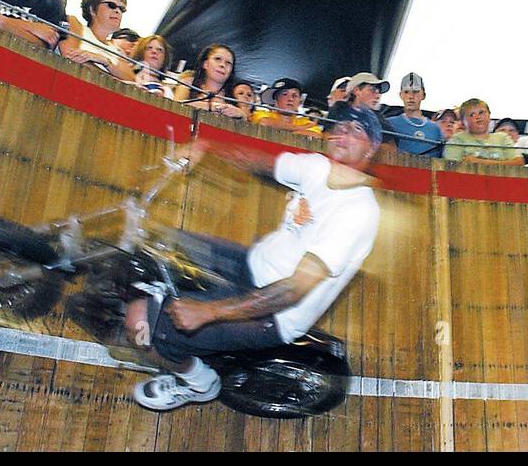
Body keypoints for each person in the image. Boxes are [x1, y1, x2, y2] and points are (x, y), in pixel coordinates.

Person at [125, 102, 383, 411]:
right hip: (253, 263)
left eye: (356, 130)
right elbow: (261, 163)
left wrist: (209, 312)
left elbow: (292, 291)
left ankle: (197, 383)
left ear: (370, 150)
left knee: (139, 321)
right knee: (158, 241)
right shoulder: (318, 167)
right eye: (340, 125)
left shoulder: (358, 212)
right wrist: (206, 146)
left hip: (275, 314)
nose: (343, 132)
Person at [60, 0, 136, 80]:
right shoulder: (75, 24)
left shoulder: (117, 51)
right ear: (92, 9)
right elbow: (69, 56)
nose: (117, 11)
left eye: (122, 9)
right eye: (111, 5)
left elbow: (132, 80)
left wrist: (105, 62)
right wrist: (115, 79)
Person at [444, 99, 525, 165]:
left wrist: (478, 161)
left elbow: (519, 162)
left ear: (489, 115)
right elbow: (452, 168)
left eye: (481, 112)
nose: (478, 117)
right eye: (472, 114)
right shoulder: (456, 140)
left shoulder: (502, 138)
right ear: (462, 121)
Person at [384, 72, 445, 158]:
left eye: (415, 92)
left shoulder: (436, 129)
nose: (410, 96)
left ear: (423, 95)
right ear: (400, 95)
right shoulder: (389, 124)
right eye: (406, 92)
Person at [176, 44, 246, 117]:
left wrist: (241, 114)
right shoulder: (189, 84)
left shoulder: (233, 96)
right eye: (218, 59)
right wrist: (211, 106)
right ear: (205, 64)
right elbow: (176, 106)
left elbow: (244, 120)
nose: (223, 65)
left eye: (228, 63)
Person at [251, 78, 323, 137]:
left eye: (295, 96)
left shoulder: (305, 121)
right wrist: (298, 128)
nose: (290, 99)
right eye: (285, 94)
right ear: (275, 101)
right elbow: (264, 122)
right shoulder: (261, 114)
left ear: (299, 102)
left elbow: (317, 136)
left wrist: (289, 130)